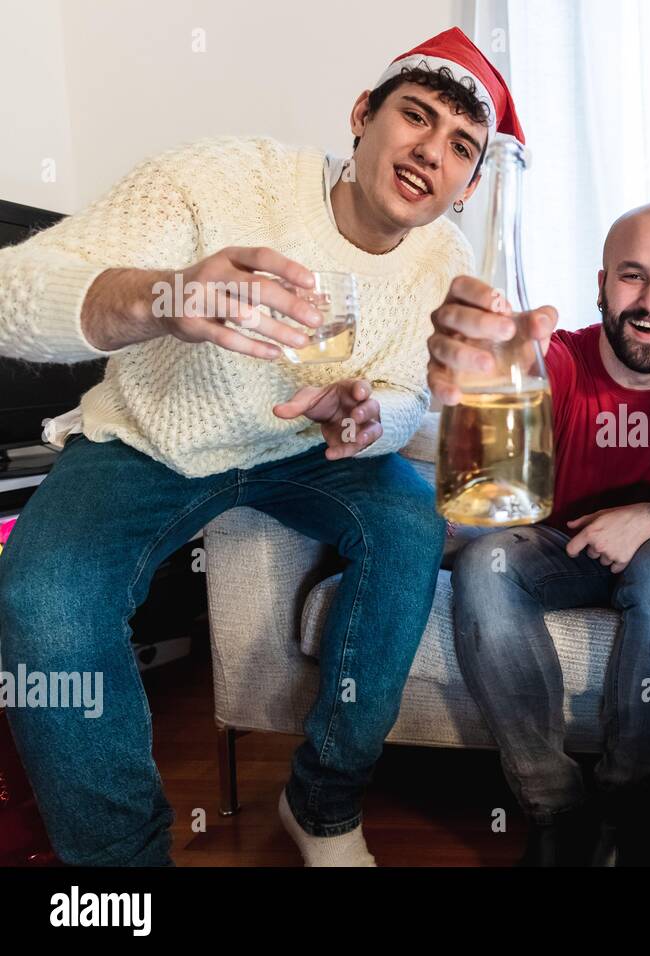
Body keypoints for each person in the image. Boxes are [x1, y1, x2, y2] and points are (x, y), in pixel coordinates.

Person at [0, 27, 515, 867]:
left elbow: (401, 396)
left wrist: (364, 418)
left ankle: (322, 801)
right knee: (42, 593)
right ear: (361, 116)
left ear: (469, 182)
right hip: (153, 439)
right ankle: (121, 874)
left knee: (411, 519)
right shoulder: (222, 176)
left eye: (460, 146)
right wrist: (163, 296)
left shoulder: (444, 258)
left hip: (296, 451)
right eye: (415, 117)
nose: (430, 153)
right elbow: (11, 289)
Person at [429, 202, 650, 866]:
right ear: (601, 284)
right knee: (483, 568)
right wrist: (489, 365)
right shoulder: (561, 360)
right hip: (557, 547)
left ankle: (626, 811)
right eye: (633, 277)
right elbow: (496, 392)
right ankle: (556, 811)